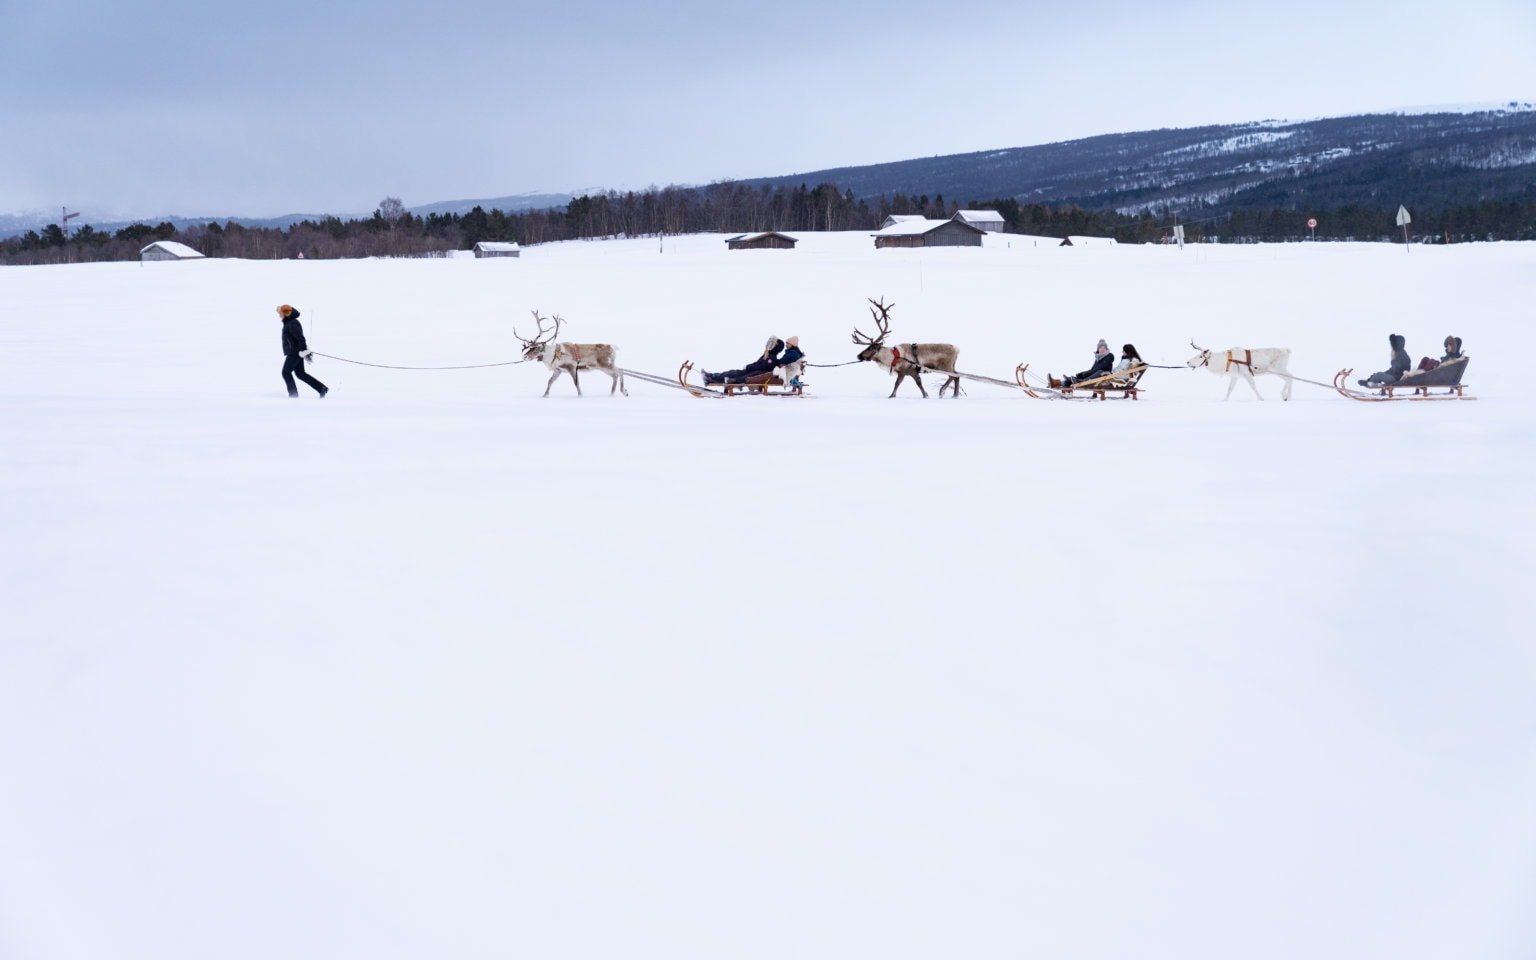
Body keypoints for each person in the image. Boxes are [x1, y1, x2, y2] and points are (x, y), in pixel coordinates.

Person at [278, 304, 329, 398]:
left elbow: (301, 338)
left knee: (286, 372)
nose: (279, 315)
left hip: (294, 352)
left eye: (280, 313)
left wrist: (304, 351)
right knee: (300, 374)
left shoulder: (292, 323)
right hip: (296, 352)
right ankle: (321, 388)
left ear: (286, 313)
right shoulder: (289, 322)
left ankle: (293, 396)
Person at [704, 336, 784, 385]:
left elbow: (761, 368)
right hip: (750, 372)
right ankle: (712, 376)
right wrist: (749, 366)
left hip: (752, 375)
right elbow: (757, 363)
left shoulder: (772, 358)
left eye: (771, 344)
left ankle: (711, 379)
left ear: (775, 347)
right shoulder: (768, 355)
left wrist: (749, 367)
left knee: (734, 375)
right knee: (733, 372)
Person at [1049, 339, 1114, 388]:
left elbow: (1100, 368)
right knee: (1076, 378)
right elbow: (1092, 369)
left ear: (1106, 349)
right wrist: (1082, 373)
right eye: (1100, 348)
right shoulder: (1098, 359)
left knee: (1100, 371)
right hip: (1096, 376)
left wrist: (1085, 374)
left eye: (1104, 348)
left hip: (1104, 376)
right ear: (1098, 349)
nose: (1102, 349)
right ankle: (1056, 383)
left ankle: (1080, 380)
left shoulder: (1109, 356)